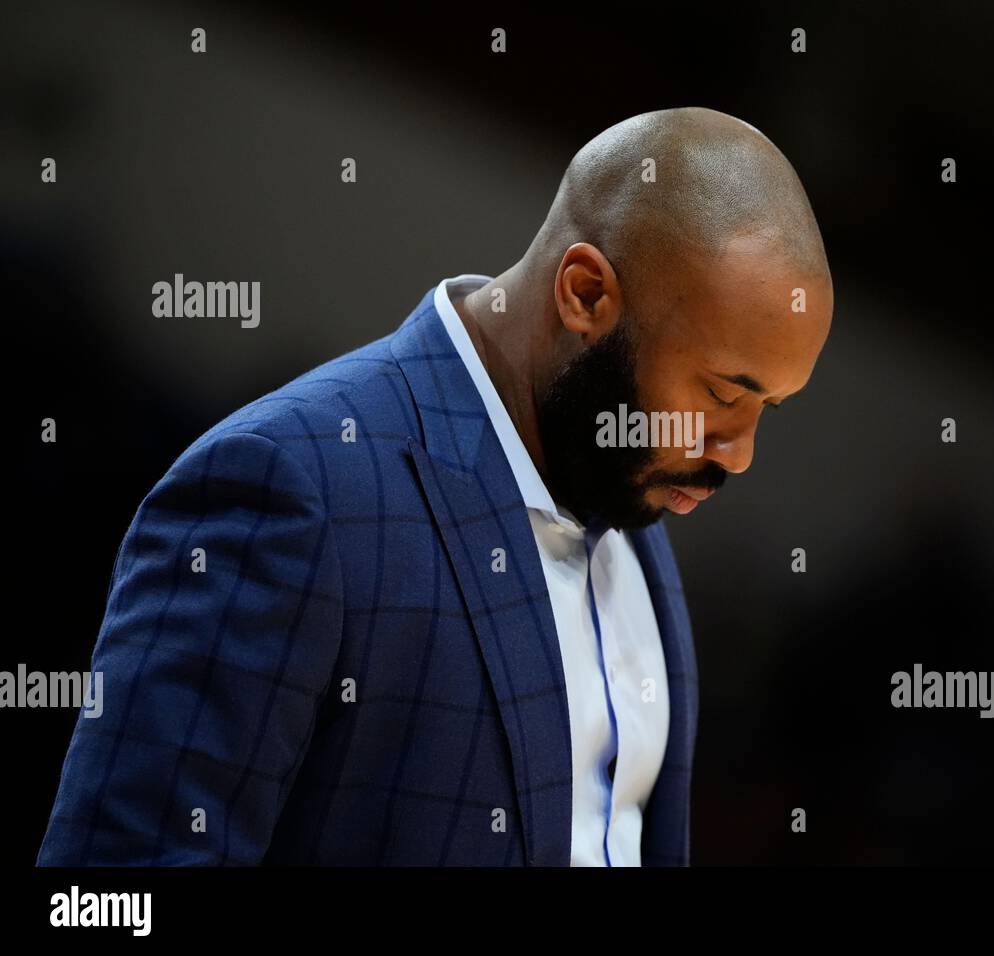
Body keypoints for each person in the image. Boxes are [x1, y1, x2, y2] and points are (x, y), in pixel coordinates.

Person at [37, 106, 834, 866]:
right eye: (723, 394)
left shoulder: (631, 503)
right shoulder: (291, 488)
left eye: (769, 406)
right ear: (585, 293)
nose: (737, 452)